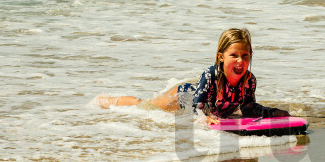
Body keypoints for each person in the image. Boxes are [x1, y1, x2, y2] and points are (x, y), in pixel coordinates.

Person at [96, 28, 289, 123]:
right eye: (234, 55)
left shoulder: (249, 80)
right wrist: (206, 116)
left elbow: (248, 107)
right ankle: (105, 101)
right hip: (183, 96)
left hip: (202, 99)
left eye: (245, 56)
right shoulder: (211, 74)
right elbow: (196, 106)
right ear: (221, 57)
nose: (240, 61)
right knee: (144, 107)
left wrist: (272, 112)